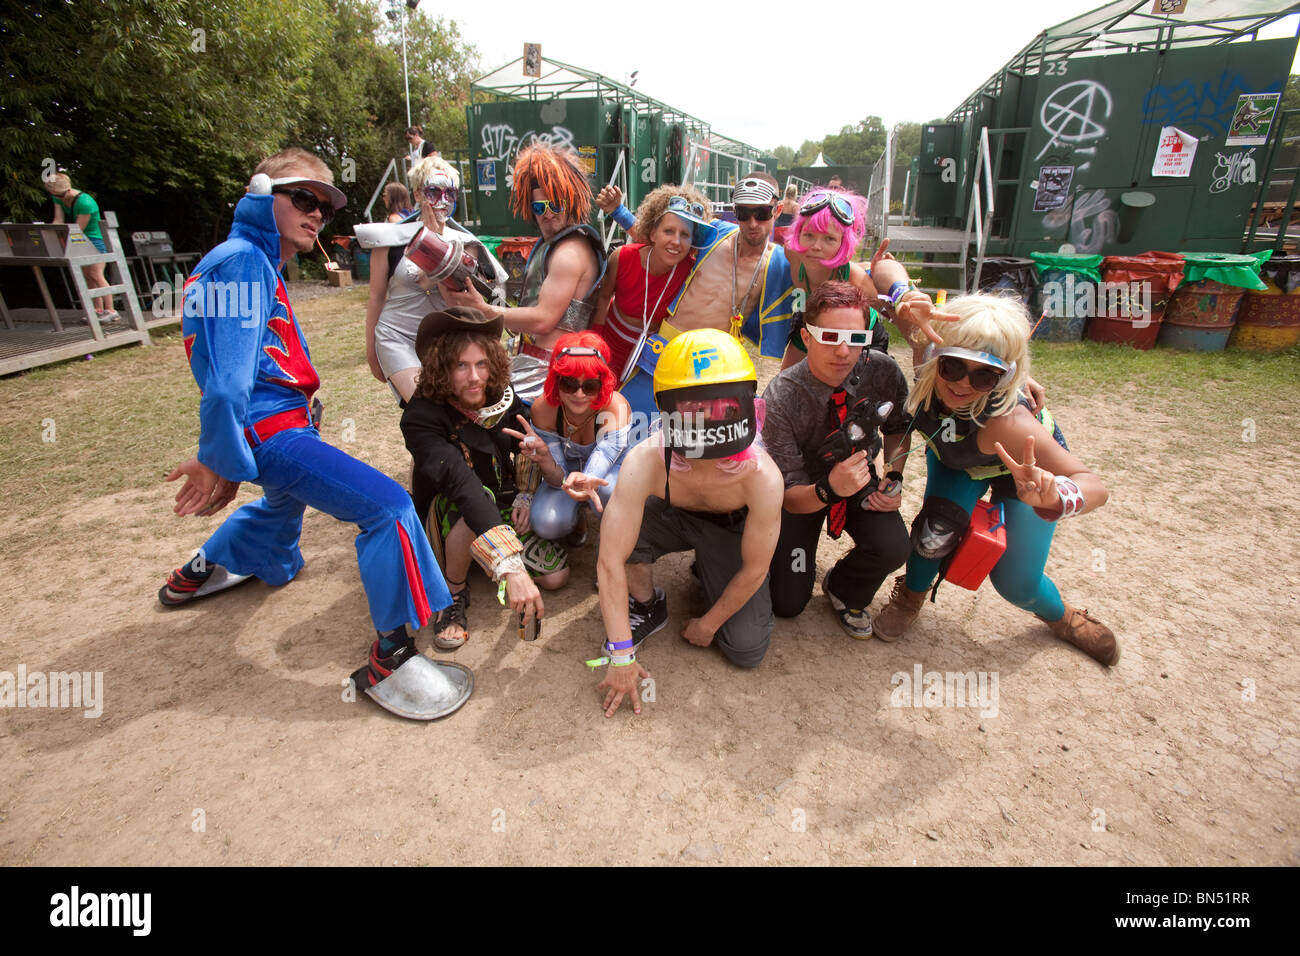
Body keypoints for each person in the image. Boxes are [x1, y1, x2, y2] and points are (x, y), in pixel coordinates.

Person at [158, 148, 464, 721]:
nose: (316, 212)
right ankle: (390, 655)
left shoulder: (239, 259)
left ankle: (200, 571)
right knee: (390, 507)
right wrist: (219, 458)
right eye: (302, 197)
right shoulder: (244, 261)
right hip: (273, 429)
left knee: (283, 515)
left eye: (323, 204)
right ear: (258, 195)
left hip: (283, 421)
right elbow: (227, 388)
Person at [873, 294, 1120, 666]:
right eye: (953, 367)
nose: (962, 384)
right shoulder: (926, 347)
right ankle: (911, 595)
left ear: (1005, 374)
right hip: (957, 458)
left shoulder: (1010, 423)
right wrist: (902, 293)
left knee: (1017, 584)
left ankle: (1063, 618)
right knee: (932, 535)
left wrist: (1055, 496)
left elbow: (1095, 487)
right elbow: (884, 278)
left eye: (985, 375)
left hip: (1025, 473)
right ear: (937, 352)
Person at [592, 329, 784, 717]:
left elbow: (756, 568)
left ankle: (709, 575)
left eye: (721, 404)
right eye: (694, 405)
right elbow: (609, 558)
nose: (709, 415)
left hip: (729, 529)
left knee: (744, 648)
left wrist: (709, 625)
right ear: (668, 408)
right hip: (671, 514)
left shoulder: (762, 476)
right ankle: (647, 604)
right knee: (624, 521)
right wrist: (621, 652)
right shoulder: (647, 458)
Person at [401, 307, 568, 650]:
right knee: (474, 505)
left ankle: (486, 560)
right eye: (460, 365)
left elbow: (526, 438)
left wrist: (525, 493)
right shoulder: (421, 417)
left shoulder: (498, 394)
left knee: (556, 576)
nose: (474, 377)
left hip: (499, 497)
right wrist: (513, 568)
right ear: (441, 367)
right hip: (454, 510)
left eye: (481, 364)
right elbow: (463, 487)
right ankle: (453, 592)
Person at [762, 281, 913, 638]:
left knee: (893, 547)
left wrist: (894, 476)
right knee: (787, 602)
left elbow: (898, 428)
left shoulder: (882, 370)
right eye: (829, 336)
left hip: (859, 477)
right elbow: (786, 494)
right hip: (803, 494)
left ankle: (844, 587)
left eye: (856, 338)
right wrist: (829, 489)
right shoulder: (780, 396)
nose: (844, 350)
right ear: (807, 337)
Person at [441, 144, 605, 405]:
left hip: (551, 372)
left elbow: (543, 320)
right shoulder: (554, 245)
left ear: (570, 201)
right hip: (535, 365)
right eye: (539, 207)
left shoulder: (570, 252)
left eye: (554, 204)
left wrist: (485, 310)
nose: (548, 214)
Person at [365, 156, 506, 404]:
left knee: (449, 414)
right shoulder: (390, 239)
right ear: (418, 194)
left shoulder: (467, 244)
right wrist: (372, 352)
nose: (442, 201)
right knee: (422, 408)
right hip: (395, 336)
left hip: (444, 343)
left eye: (450, 193)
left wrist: (436, 242)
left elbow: (456, 299)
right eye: (433, 192)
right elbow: (376, 297)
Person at [590, 185, 711, 418]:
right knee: (597, 408)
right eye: (668, 231)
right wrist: (595, 345)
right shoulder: (623, 257)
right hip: (610, 344)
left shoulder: (690, 270)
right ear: (652, 233)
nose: (676, 241)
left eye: (685, 235)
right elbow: (604, 298)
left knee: (635, 418)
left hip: (650, 357)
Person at [508, 331, 632, 544]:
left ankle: (617, 542)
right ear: (556, 381)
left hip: (610, 472)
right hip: (568, 477)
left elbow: (604, 455)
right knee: (546, 522)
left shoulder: (615, 406)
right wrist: (546, 458)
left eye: (590, 386)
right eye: (569, 384)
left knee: (607, 490)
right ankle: (578, 517)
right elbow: (559, 479)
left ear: (603, 383)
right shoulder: (544, 408)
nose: (579, 394)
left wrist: (585, 479)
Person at [43, 172, 113, 319]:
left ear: (67, 190)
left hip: (94, 240)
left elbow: (79, 230)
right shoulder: (58, 197)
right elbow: (58, 220)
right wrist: (50, 234)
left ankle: (111, 311)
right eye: (55, 195)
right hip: (78, 239)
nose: (58, 199)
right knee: (87, 276)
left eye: (60, 196)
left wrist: (65, 242)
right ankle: (97, 310)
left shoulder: (85, 203)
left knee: (96, 274)